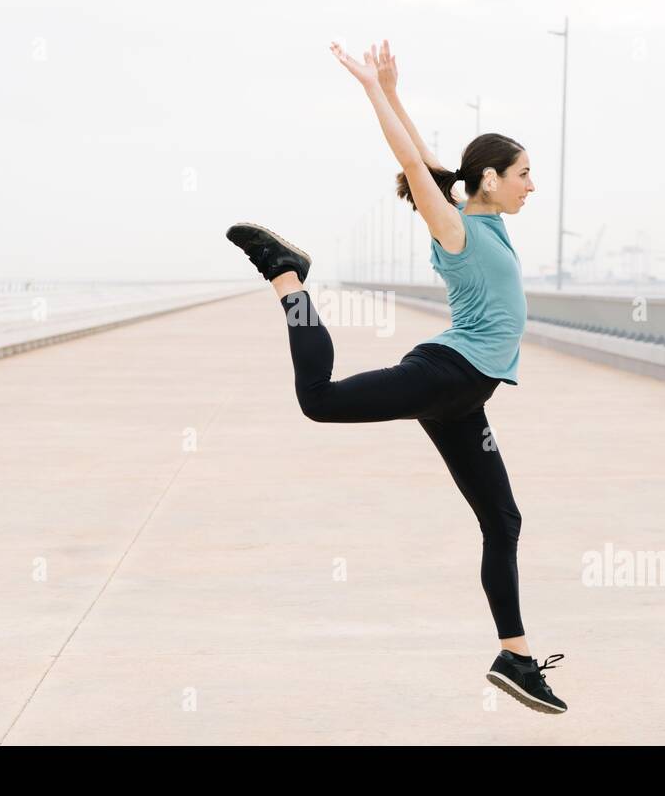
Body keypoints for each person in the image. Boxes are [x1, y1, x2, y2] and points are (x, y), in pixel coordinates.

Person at [225, 39, 565, 714]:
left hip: (466, 397)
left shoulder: (485, 214)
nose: (532, 184)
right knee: (318, 400)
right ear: (491, 178)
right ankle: (286, 276)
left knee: (503, 521)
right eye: (524, 172)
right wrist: (371, 92)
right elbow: (412, 161)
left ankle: (516, 658)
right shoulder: (459, 226)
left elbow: (428, 158)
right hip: (445, 376)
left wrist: (394, 89)